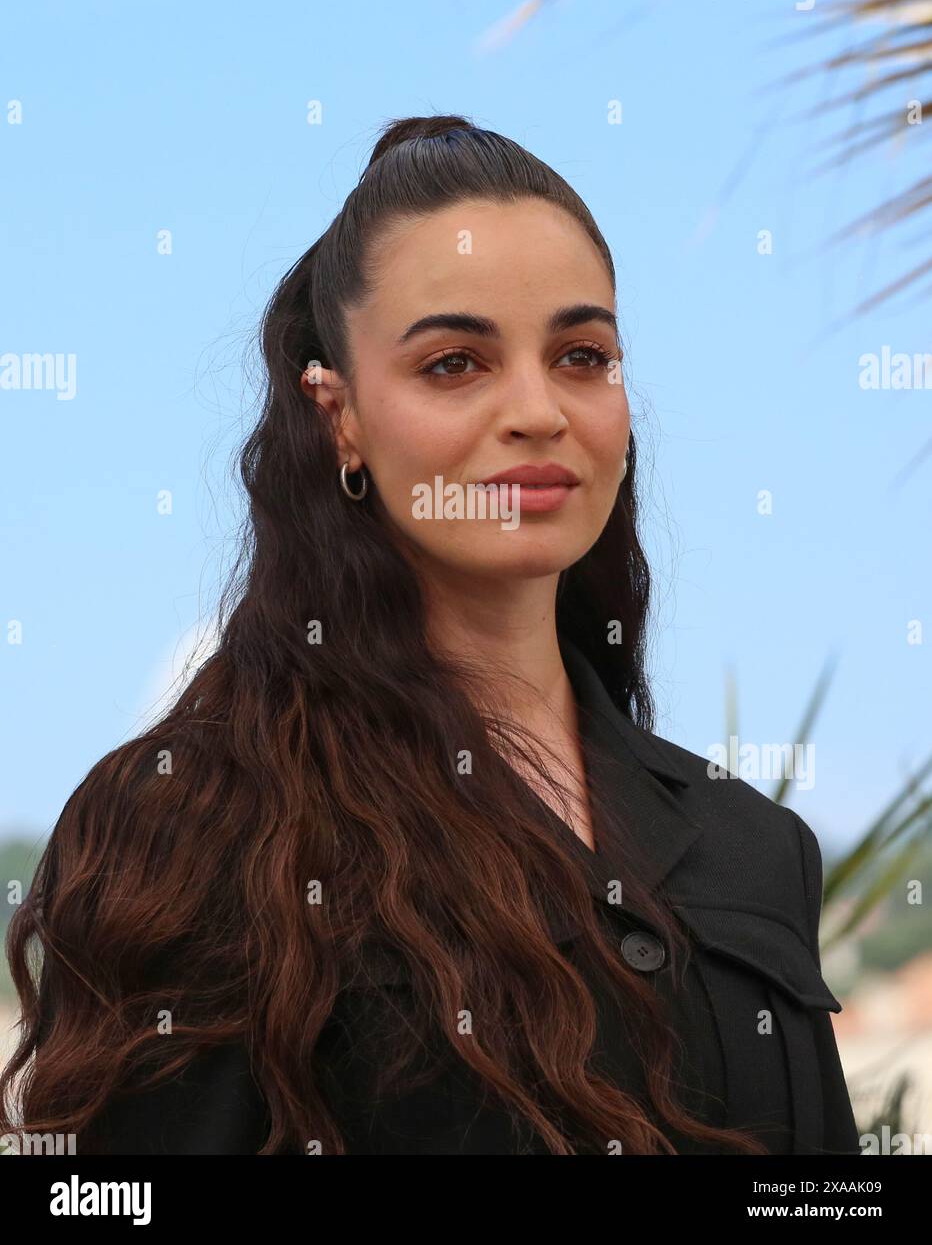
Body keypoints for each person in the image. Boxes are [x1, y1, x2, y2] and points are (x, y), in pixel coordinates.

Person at [1, 114, 860, 1155]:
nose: (537, 409)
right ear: (338, 415)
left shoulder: (754, 849)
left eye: (581, 355)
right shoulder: (187, 827)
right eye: (455, 363)